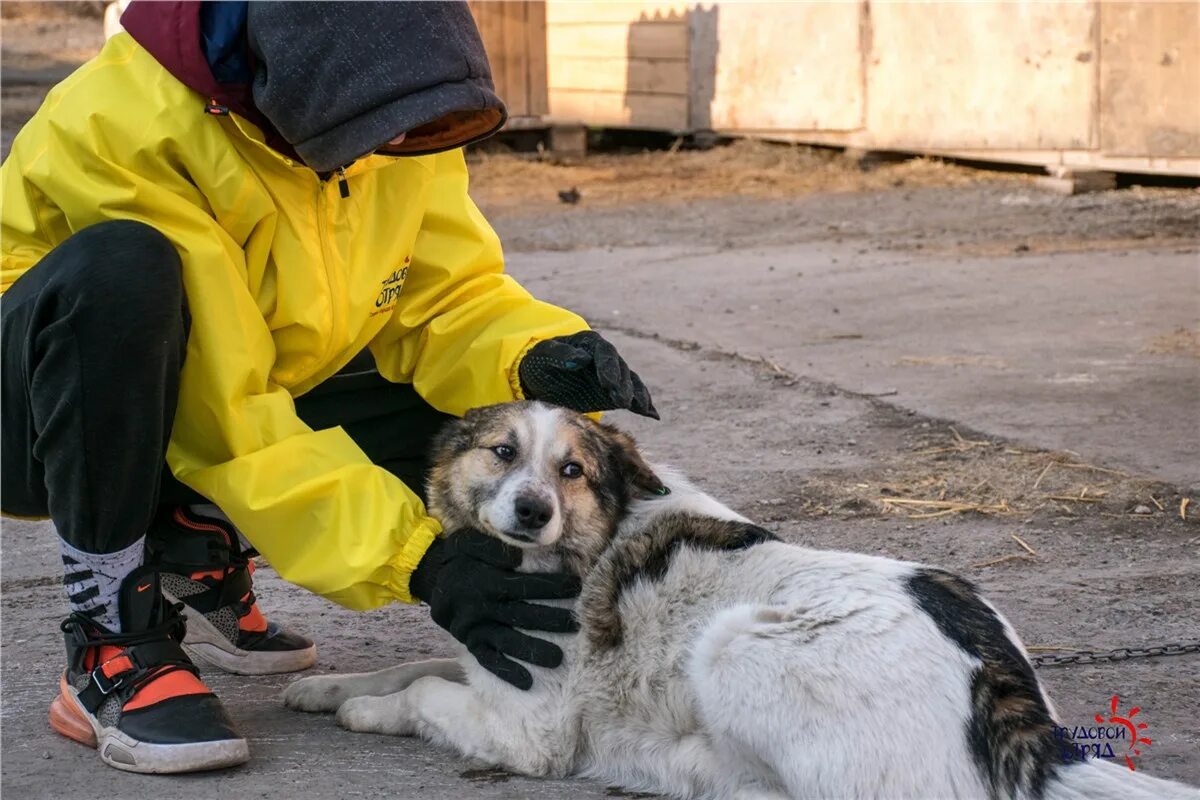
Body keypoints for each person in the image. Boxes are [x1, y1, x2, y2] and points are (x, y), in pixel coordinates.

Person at [0, 1, 656, 774]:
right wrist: (420, 558)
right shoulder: (122, 125)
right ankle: (111, 638)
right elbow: (226, 413)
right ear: (298, 82)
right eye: (390, 128)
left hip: (205, 388)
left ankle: (191, 543)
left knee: (485, 440)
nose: (404, 145)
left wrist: (533, 356)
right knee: (123, 274)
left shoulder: (395, 107)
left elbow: (442, 296)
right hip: (43, 416)